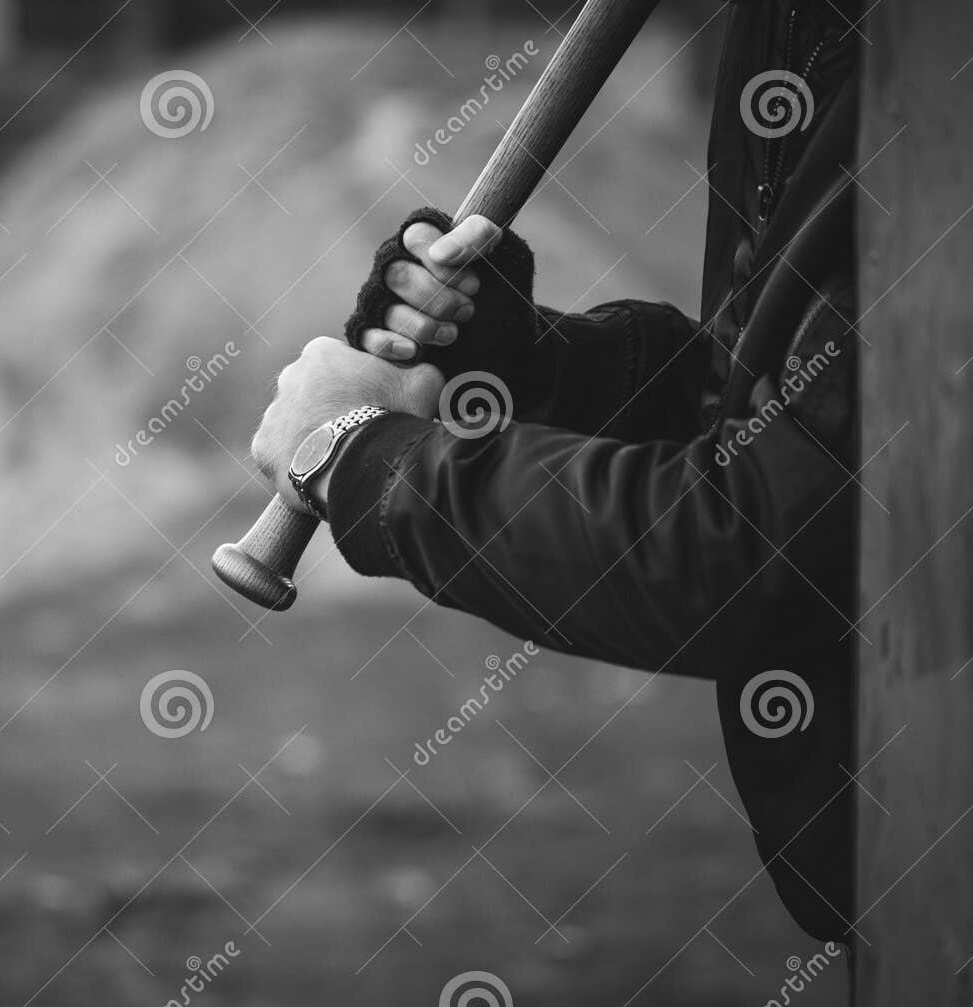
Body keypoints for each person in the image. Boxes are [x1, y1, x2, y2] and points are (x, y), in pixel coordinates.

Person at [248, 0, 860, 942]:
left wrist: (364, 460)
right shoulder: (790, 23)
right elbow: (769, 400)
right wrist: (529, 368)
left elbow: (767, 548)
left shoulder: (969, 80)